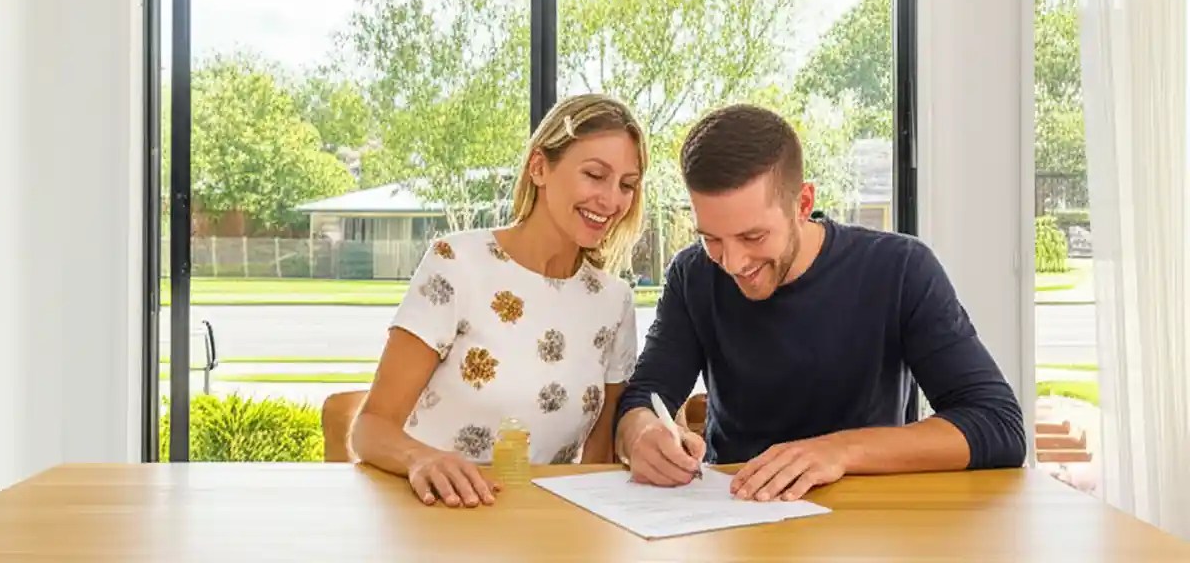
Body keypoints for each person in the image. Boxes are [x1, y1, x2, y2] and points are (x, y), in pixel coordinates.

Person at [614, 104, 1026, 502]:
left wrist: (838, 452)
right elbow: (645, 396)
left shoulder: (899, 269)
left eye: (753, 237)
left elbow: (998, 424)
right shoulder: (692, 275)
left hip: (868, 521)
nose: (734, 263)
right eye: (712, 239)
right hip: (737, 514)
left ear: (803, 204)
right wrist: (642, 436)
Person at [351, 94, 648, 508]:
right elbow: (369, 427)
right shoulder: (456, 263)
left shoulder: (613, 302)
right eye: (595, 175)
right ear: (540, 167)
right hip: (434, 515)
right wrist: (421, 458)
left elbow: (596, 465)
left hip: (541, 530)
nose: (612, 200)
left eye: (627, 185)